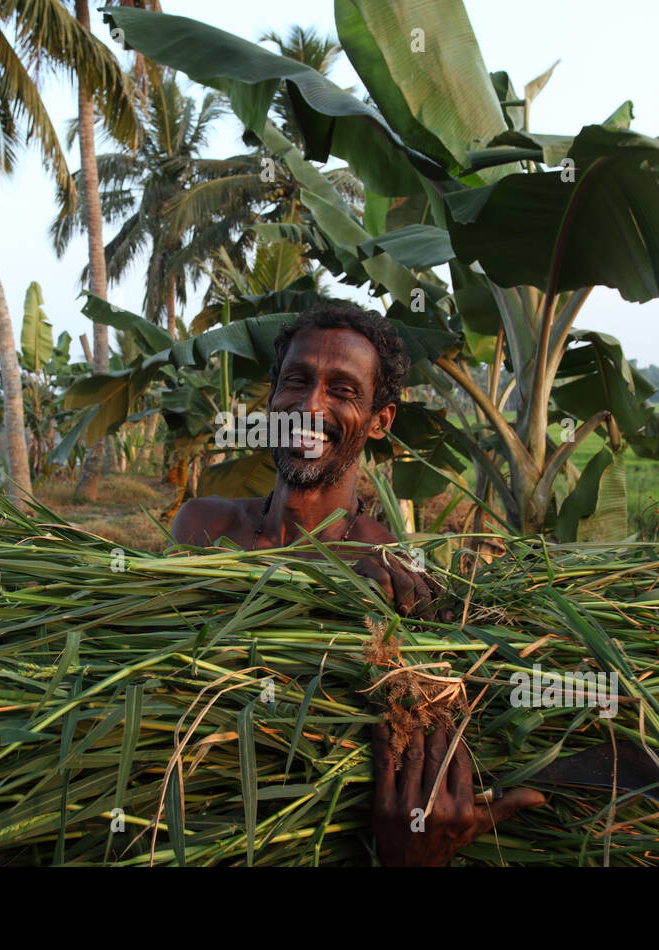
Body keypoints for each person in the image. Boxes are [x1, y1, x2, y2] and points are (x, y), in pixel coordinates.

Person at [171, 300, 544, 866]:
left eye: (343, 391)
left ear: (380, 420)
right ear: (272, 397)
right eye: (296, 381)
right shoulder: (201, 525)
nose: (310, 405)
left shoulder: (394, 572)